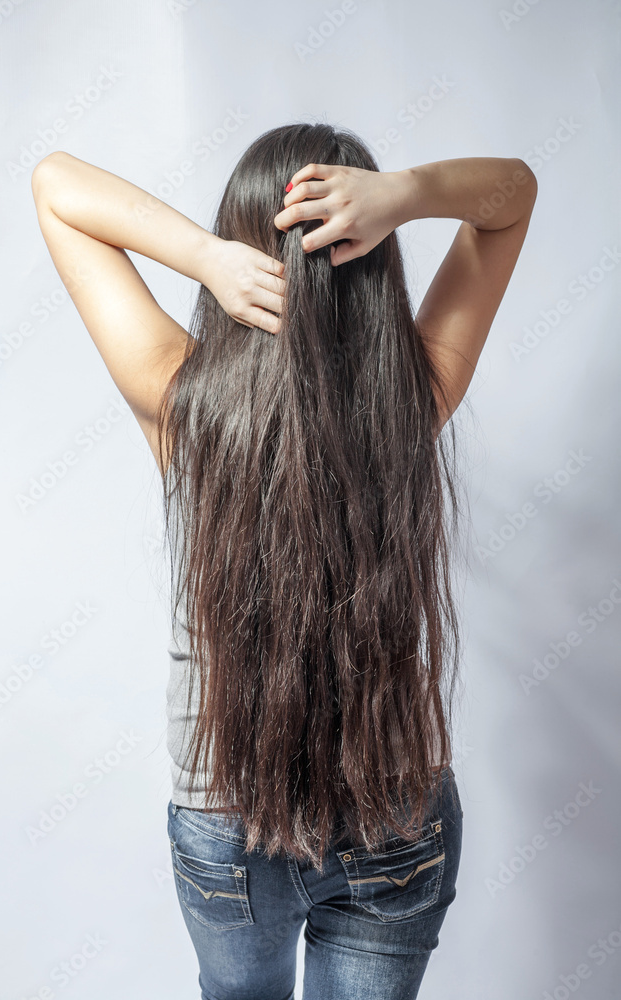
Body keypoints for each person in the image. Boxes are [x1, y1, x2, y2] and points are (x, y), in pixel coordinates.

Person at [31, 122, 538, 999]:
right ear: (375, 266)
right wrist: (408, 195)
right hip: (396, 815)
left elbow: (56, 186)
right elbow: (512, 196)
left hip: (225, 822)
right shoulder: (412, 401)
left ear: (243, 243)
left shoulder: (177, 400)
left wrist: (202, 257)